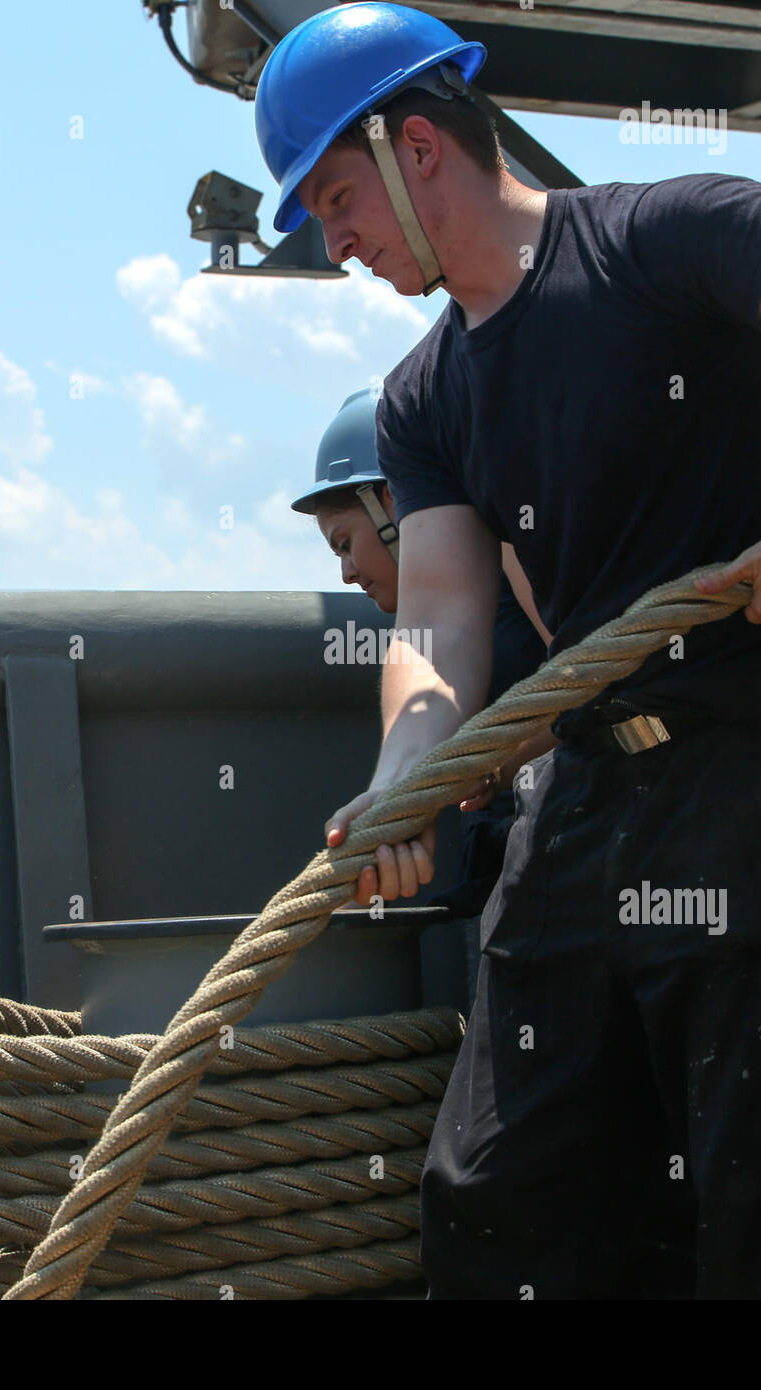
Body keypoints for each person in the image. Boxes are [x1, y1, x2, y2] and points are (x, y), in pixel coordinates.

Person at [255, 2, 761, 1299]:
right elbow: (443, 626)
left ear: (416, 148)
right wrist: (408, 768)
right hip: (581, 807)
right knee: (497, 1197)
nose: (329, 238)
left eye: (335, 196)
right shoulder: (424, 395)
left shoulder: (661, 238)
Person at [292, 387, 552, 1007]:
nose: (347, 574)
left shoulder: (516, 543)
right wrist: (409, 795)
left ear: (391, 501)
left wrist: (485, 762)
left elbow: (605, 676)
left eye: (345, 543)